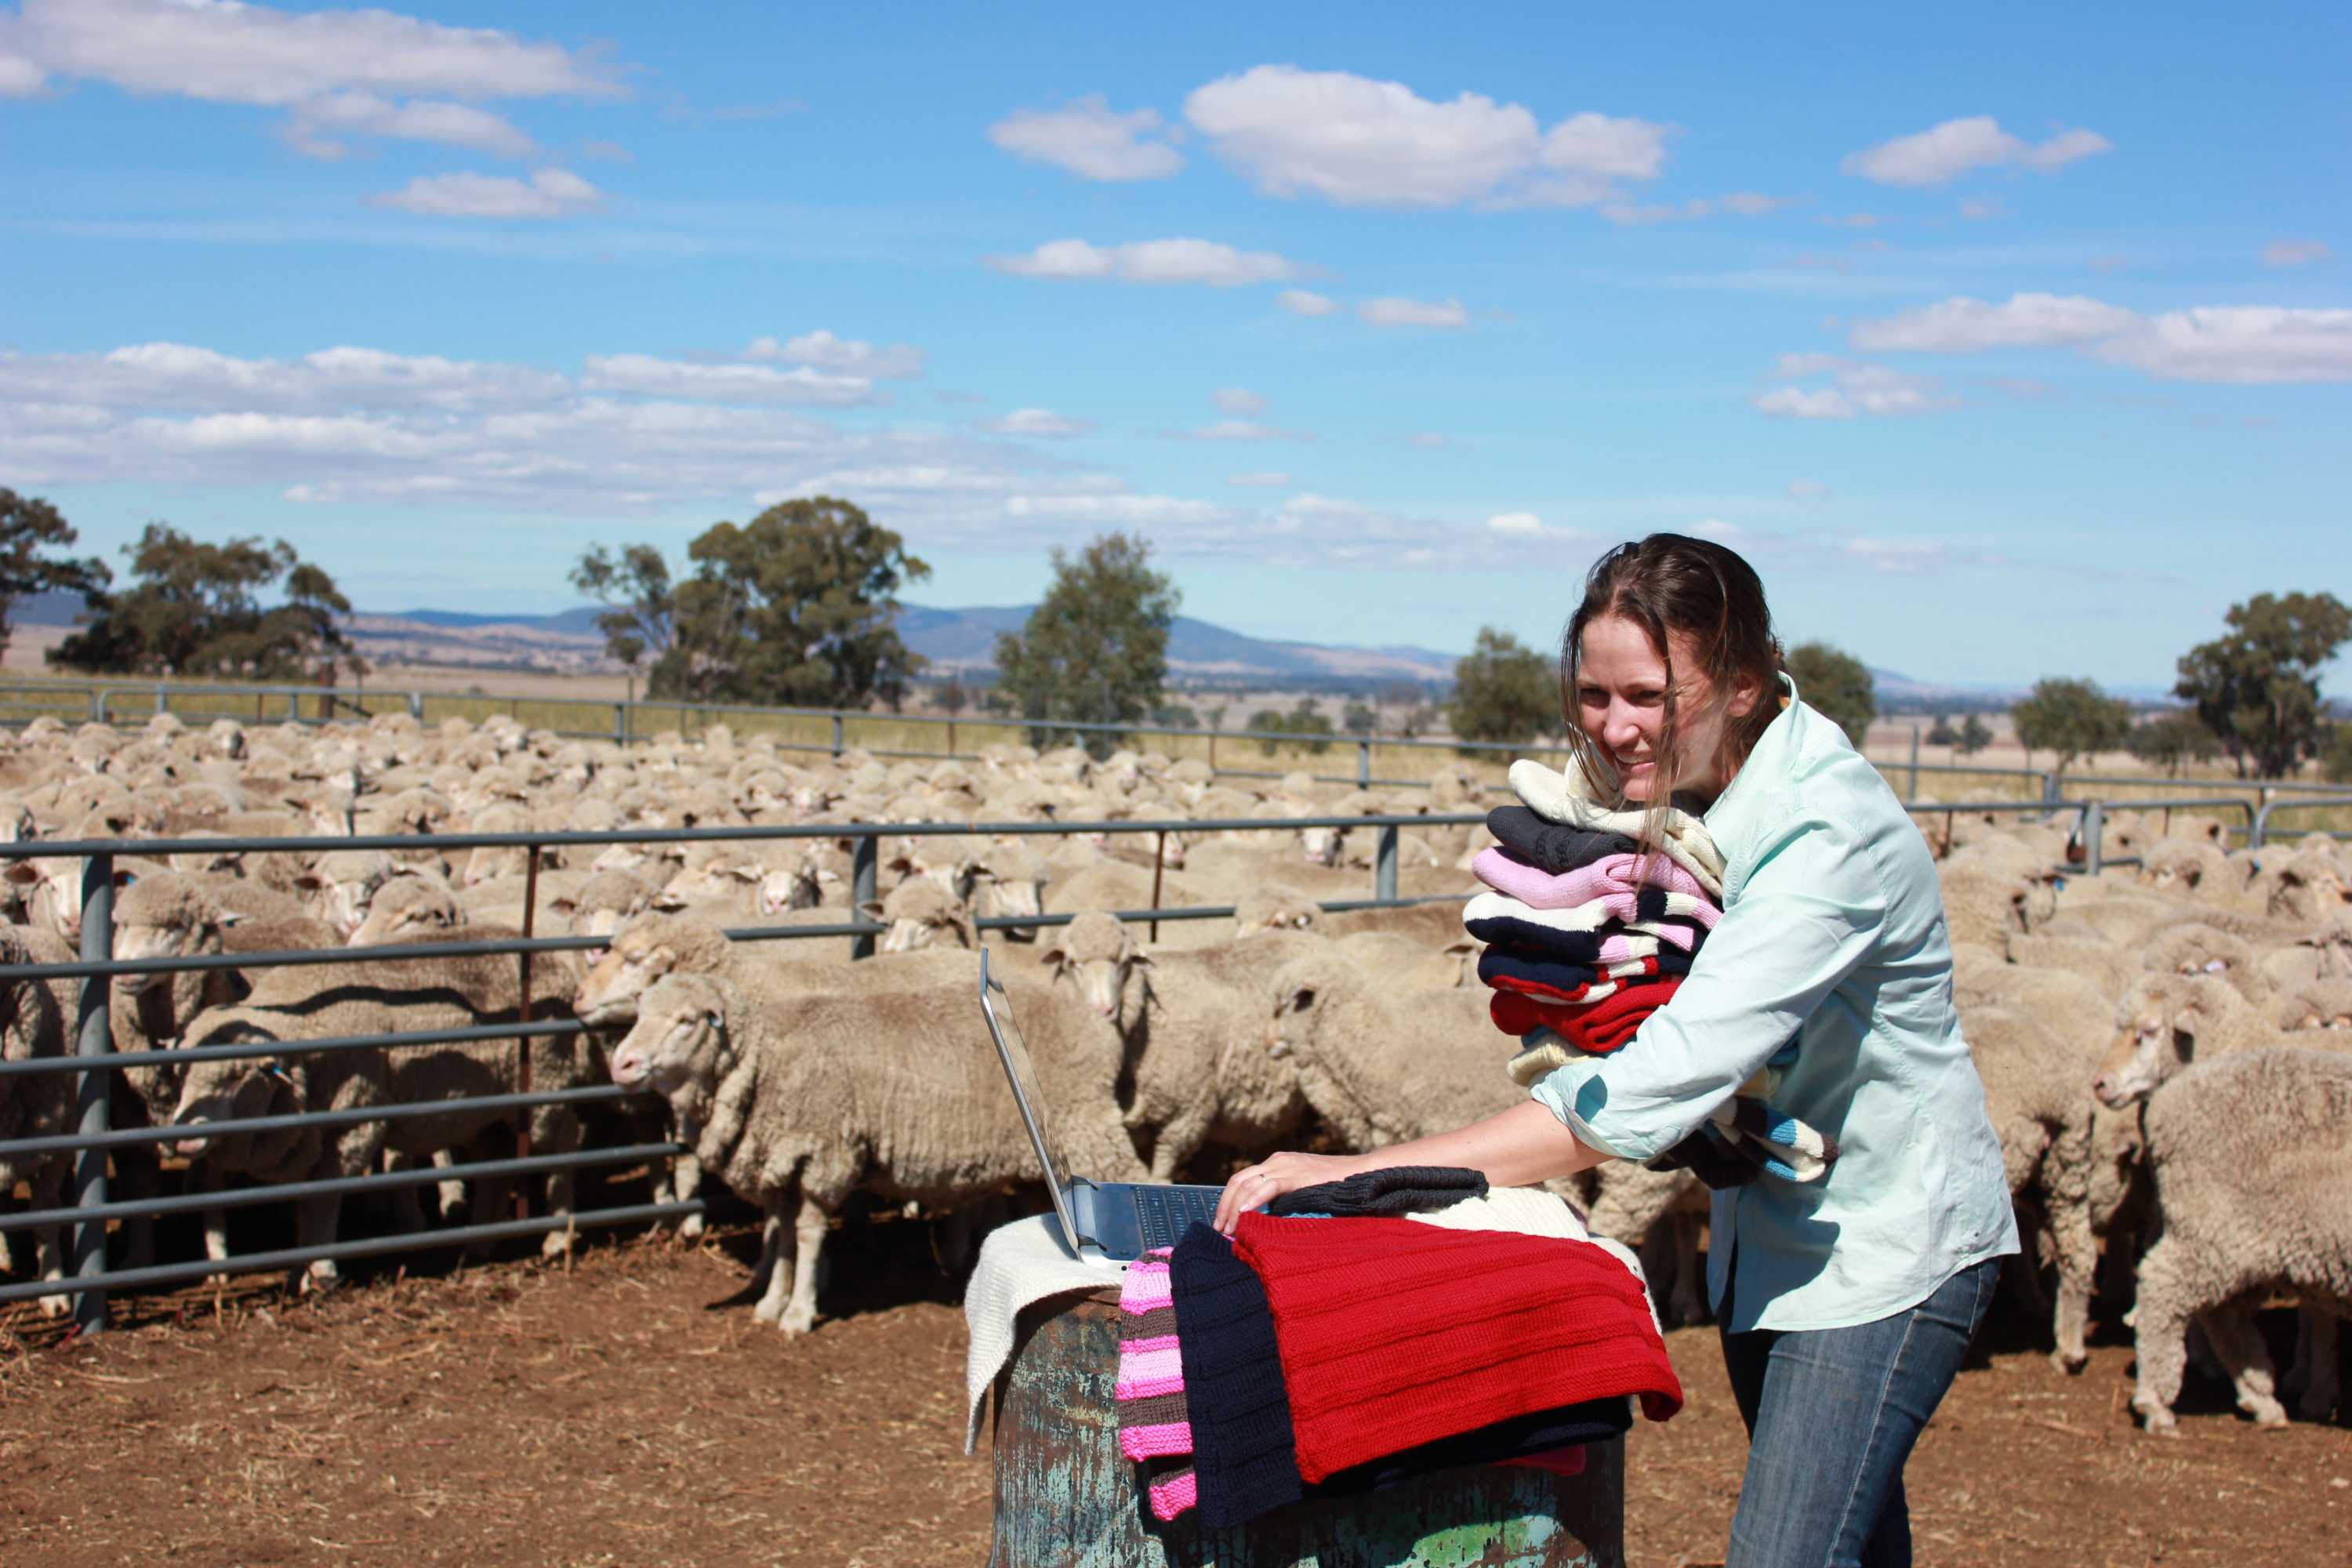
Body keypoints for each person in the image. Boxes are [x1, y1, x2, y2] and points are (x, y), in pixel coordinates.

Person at [1213, 533, 2018, 1568]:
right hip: (1769, 1237)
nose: (1617, 725)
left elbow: (1646, 1092)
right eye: (1595, 694)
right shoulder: (1672, 790)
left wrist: (1356, 1175)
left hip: (1881, 1247)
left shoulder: (1826, 830)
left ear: (1743, 682)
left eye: (1649, 694)